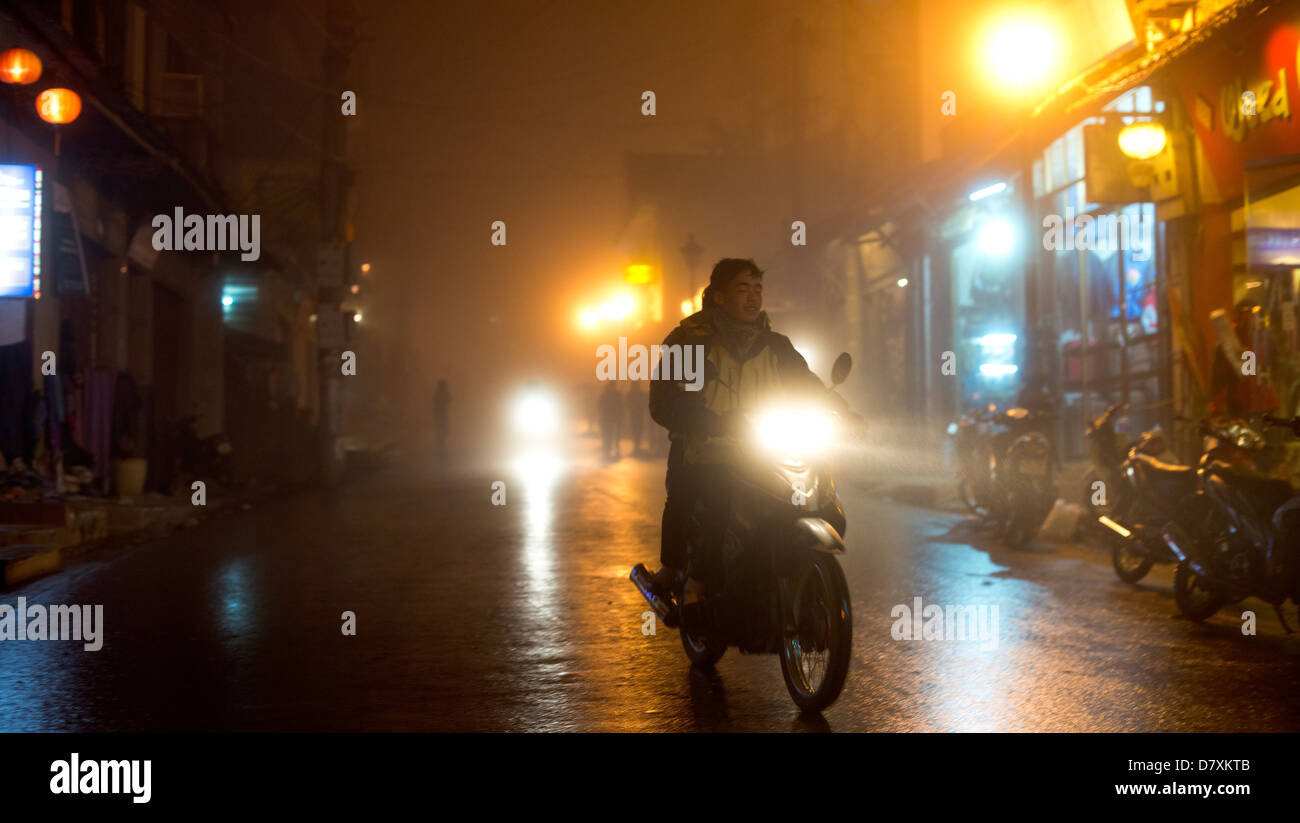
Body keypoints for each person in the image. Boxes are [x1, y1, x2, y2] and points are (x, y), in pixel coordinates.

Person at [643, 258, 841, 611]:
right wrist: (709, 421)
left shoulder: (776, 345)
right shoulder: (689, 342)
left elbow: (805, 384)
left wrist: (837, 408)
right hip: (706, 450)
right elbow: (664, 402)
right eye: (742, 289)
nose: (753, 298)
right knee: (709, 505)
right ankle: (684, 577)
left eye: (758, 289)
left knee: (823, 500)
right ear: (719, 296)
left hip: (765, 452)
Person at [598, 381, 623, 459]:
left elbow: (599, 405)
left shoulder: (605, 394)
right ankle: (613, 446)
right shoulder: (616, 394)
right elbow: (621, 405)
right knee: (612, 433)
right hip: (613, 417)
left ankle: (607, 447)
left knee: (607, 433)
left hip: (606, 417)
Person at [625, 382, 646, 454]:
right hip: (636, 415)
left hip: (637, 415)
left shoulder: (633, 394)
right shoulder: (635, 394)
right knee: (637, 430)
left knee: (637, 430)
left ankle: (637, 444)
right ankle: (637, 444)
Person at [433, 379, 451, 461]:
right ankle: (441, 450)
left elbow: (450, 399)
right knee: (442, 433)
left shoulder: (438, 394)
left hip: (441, 416)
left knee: (442, 433)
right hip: (441, 416)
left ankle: (441, 449)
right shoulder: (440, 394)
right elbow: (450, 399)